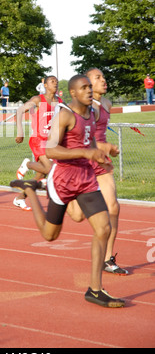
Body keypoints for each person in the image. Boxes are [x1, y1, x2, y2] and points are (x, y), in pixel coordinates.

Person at [10, 74, 125, 308]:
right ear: (72, 93)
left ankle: (94, 289)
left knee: (103, 228)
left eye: (89, 87)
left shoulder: (91, 114)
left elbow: (88, 142)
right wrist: (86, 153)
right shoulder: (65, 115)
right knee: (50, 235)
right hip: (62, 180)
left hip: (85, 179)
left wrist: (100, 154)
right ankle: (31, 190)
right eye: (84, 88)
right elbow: (50, 151)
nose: (89, 91)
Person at [67, 68, 127, 275]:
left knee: (113, 208)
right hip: (82, 162)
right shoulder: (84, 106)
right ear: (88, 84)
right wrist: (106, 146)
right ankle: (62, 194)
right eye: (98, 78)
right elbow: (82, 139)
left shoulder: (107, 103)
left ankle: (108, 259)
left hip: (101, 163)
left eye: (103, 77)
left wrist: (107, 150)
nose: (103, 80)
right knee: (76, 216)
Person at [14, 75, 61, 211]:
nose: (55, 84)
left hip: (52, 142)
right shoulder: (37, 100)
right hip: (38, 139)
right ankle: (27, 164)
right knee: (50, 168)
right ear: (45, 85)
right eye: (52, 82)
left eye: (57, 82)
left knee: (40, 175)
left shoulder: (60, 102)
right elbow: (20, 110)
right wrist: (20, 132)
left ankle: (20, 198)